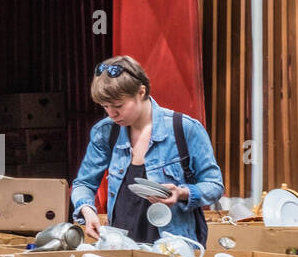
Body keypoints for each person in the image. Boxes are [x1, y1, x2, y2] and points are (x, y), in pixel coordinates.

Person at [71, 55, 224, 244]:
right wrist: (87, 210)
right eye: (105, 106)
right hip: (121, 246)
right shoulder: (105, 131)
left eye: (118, 105)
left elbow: (214, 186)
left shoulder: (184, 128)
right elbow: (83, 184)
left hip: (174, 247)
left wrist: (181, 193)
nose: (111, 114)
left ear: (141, 92)